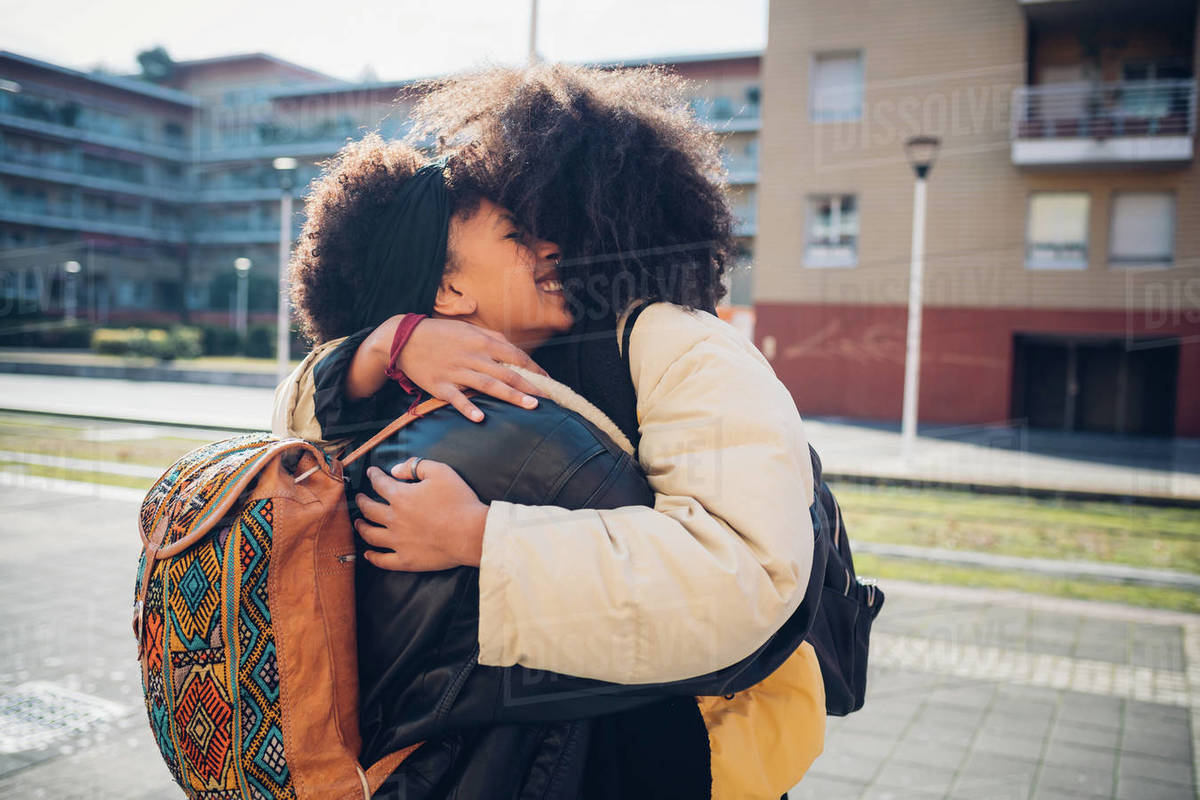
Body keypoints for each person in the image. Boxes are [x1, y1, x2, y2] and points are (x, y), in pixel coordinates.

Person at [275, 65, 824, 799]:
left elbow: (745, 577)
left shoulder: (674, 345)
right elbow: (289, 446)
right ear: (448, 289)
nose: (555, 250)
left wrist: (481, 538)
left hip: (687, 757)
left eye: (551, 227)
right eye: (520, 234)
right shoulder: (419, 377)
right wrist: (382, 347)